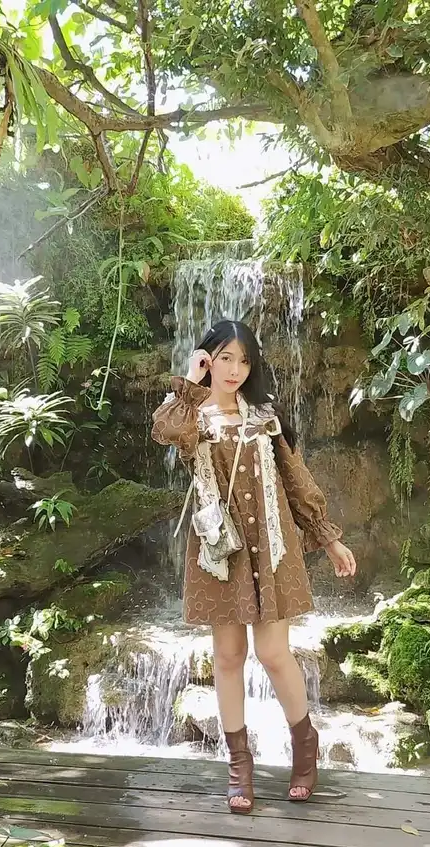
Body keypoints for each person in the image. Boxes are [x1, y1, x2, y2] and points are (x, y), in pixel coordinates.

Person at [151, 319, 356, 815]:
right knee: (227, 656)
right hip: (220, 549)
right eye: (224, 358)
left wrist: (328, 538)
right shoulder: (192, 417)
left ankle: (305, 747)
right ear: (207, 359)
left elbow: (294, 478)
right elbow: (165, 429)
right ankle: (238, 766)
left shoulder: (266, 417)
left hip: (270, 544)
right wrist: (191, 379)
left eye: (244, 361)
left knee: (273, 652)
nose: (235, 369)